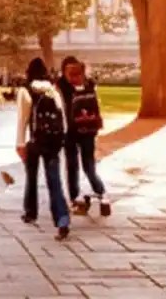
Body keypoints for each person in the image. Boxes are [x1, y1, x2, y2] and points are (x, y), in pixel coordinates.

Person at [16, 57, 71, 240]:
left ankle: (31, 211)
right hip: (52, 141)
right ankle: (62, 219)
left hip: (34, 141)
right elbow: (62, 116)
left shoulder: (26, 90)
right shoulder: (52, 90)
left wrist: (20, 143)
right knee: (54, 181)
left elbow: (22, 120)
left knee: (31, 178)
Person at [57, 56, 111, 217]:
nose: (74, 76)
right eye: (71, 73)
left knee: (80, 166)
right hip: (79, 130)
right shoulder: (83, 85)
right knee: (81, 166)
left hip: (79, 131)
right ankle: (91, 194)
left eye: (77, 73)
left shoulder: (64, 87)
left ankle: (86, 195)